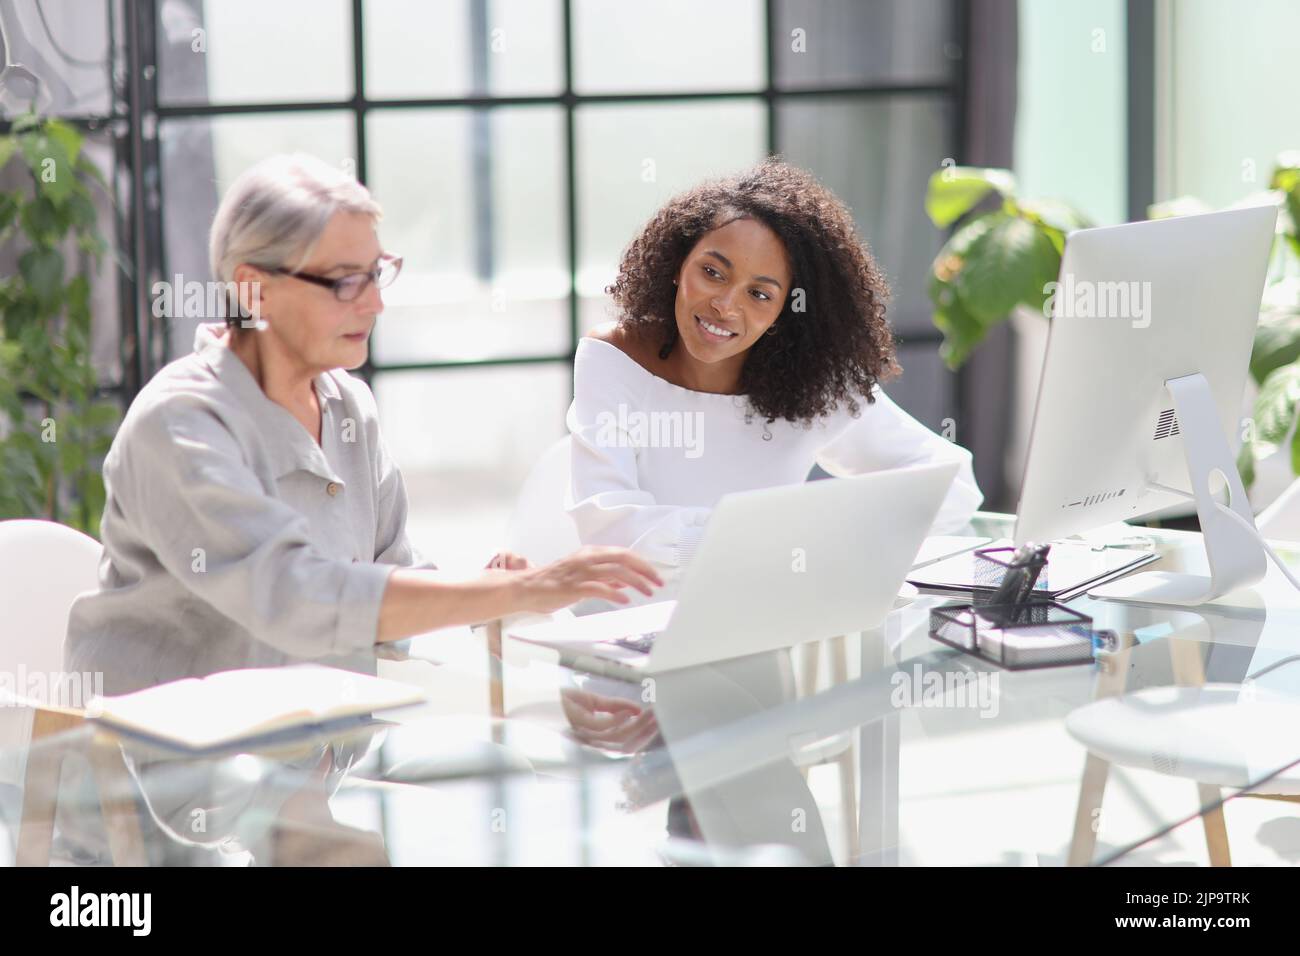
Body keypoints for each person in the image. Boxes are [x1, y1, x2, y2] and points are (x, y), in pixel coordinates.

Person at [66, 153, 660, 673]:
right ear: (253, 289)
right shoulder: (181, 424)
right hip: (165, 774)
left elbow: (388, 587)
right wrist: (511, 591)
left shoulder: (348, 405)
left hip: (321, 759)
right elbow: (297, 599)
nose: (375, 302)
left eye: (376, 274)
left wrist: (492, 587)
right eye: (345, 282)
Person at [567, 159, 983, 577]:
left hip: (768, 617)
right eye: (712, 272)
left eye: (760, 294)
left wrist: (818, 538)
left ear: (787, 309)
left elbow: (953, 485)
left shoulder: (810, 380)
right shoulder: (615, 358)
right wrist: (781, 539)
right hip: (633, 624)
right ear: (678, 264)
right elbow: (610, 531)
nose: (726, 306)